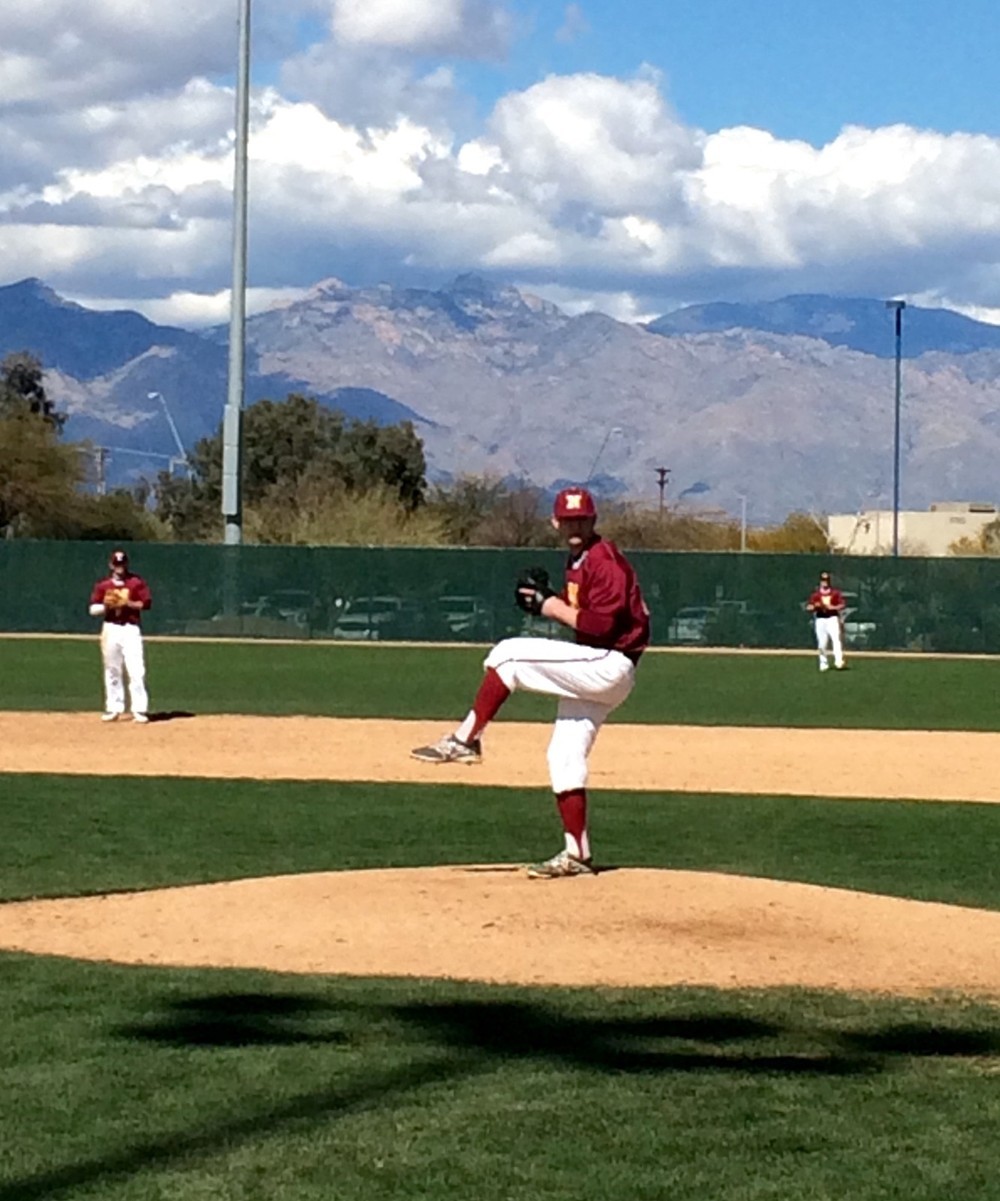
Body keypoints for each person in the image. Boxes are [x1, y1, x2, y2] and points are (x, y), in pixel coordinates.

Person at [411, 486, 651, 879]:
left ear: (593, 520)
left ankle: (465, 740)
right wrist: (553, 602)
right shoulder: (579, 559)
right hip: (599, 666)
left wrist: (549, 605)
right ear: (555, 522)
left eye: (582, 519)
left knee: (508, 654)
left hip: (610, 663)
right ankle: (577, 854)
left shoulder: (603, 560)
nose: (575, 526)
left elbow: (603, 626)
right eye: (568, 520)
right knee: (564, 756)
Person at [88, 549, 153, 722]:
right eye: (117, 564)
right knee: (112, 668)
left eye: (122, 564)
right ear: (111, 565)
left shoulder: (135, 582)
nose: (120, 567)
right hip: (111, 628)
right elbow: (92, 609)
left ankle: (139, 709)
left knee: (136, 669)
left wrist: (127, 603)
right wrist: (107, 606)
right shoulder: (103, 585)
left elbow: (146, 604)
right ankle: (114, 708)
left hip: (130, 628)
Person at [805, 569, 846, 671]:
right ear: (820, 581)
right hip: (820, 619)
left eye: (826, 580)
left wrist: (833, 607)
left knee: (836, 640)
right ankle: (823, 663)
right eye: (823, 580)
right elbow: (808, 607)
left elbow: (842, 605)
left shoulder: (835, 593)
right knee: (822, 643)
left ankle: (839, 661)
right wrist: (815, 606)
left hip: (832, 618)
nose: (825, 582)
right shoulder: (816, 595)